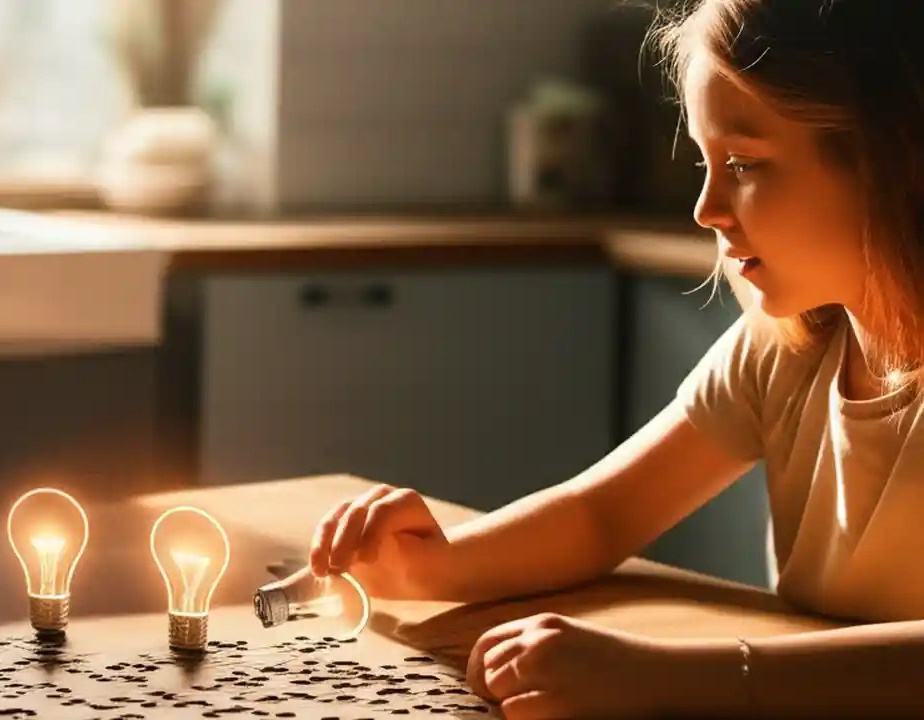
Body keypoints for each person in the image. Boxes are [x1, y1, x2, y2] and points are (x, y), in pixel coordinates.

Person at [310, 1, 924, 716]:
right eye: (705, 162)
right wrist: (435, 564)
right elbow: (602, 514)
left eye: (744, 164)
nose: (706, 208)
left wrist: (670, 677)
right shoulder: (788, 347)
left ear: (894, 162)